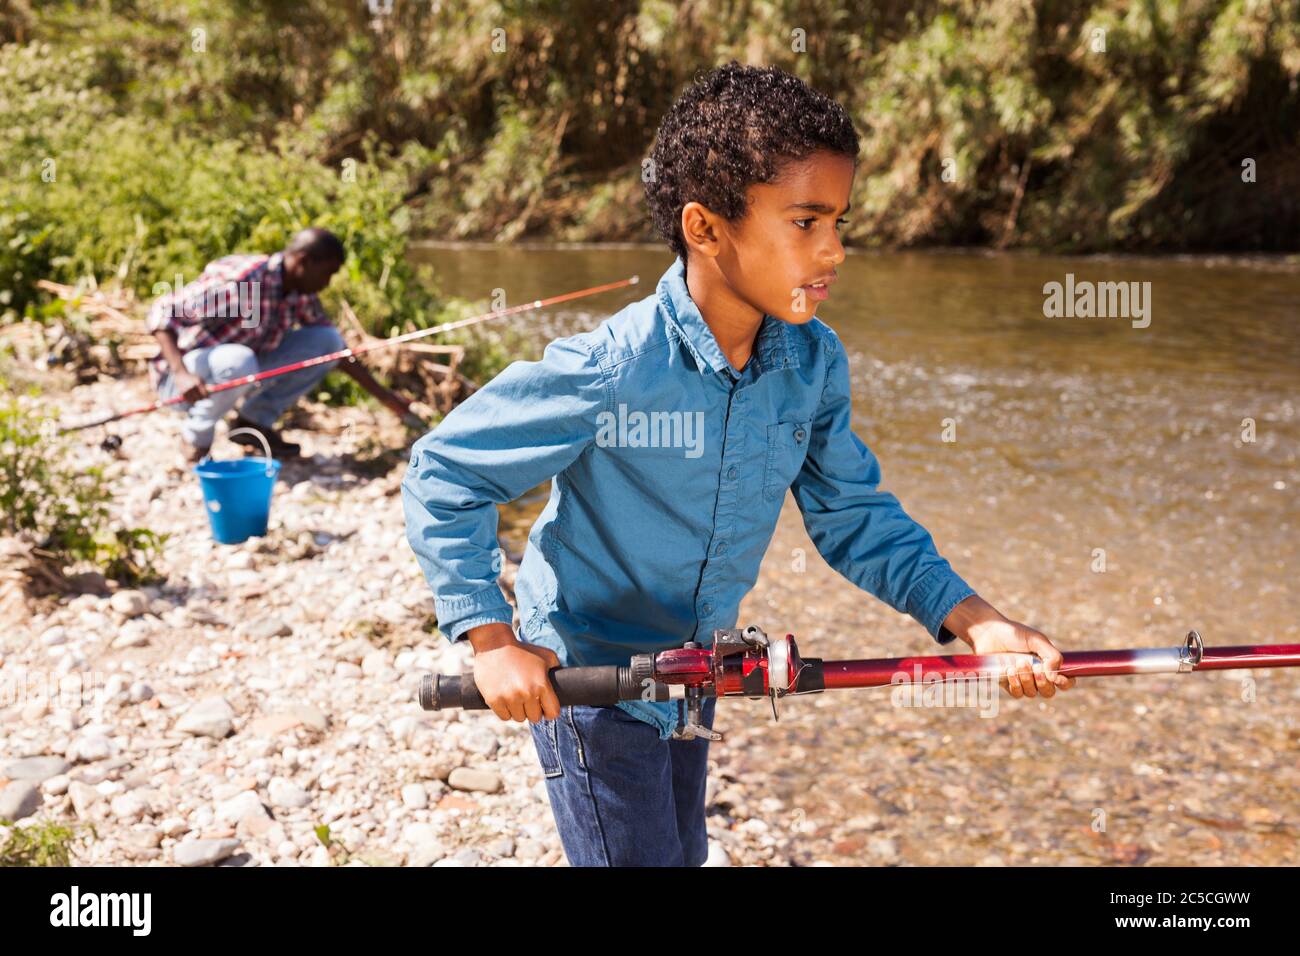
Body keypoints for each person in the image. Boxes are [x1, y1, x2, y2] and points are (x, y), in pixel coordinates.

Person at [401, 62, 1077, 867]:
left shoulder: (813, 364)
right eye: (805, 222)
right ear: (705, 228)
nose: (835, 249)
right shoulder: (612, 367)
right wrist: (491, 641)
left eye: (839, 221)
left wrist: (977, 622)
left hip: (699, 671)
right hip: (587, 681)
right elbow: (446, 471)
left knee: (683, 853)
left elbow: (855, 518)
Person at [147, 227, 385, 462]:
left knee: (328, 340)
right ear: (304, 262)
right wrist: (181, 374)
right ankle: (195, 439)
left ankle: (252, 423)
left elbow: (336, 352)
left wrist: (390, 401)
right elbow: (163, 311)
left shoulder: (299, 291)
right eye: (327, 273)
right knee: (240, 360)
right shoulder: (244, 281)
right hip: (183, 382)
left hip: (239, 371)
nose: (327, 283)